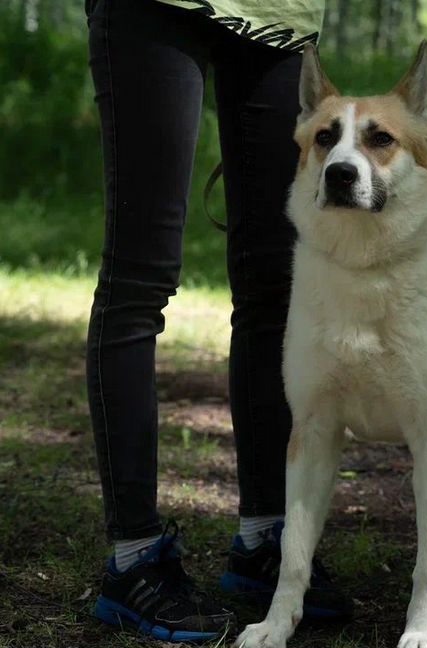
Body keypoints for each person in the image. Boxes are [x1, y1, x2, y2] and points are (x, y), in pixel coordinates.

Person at [84, 0, 351, 640]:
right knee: (140, 276)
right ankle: (134, 558)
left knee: (274, 282)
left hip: (278, 14)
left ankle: (265, 541)